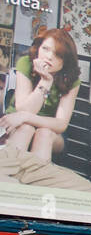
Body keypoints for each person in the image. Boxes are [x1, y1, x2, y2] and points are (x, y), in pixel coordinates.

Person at [2, 27, 81, 162]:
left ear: (65, 60)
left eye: (57, 54)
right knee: (26, 129)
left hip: (50, 130)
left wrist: (25, 117)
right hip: (17, 124)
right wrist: (44, 82)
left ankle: (36, 178)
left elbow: (61, 124)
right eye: (45, 49)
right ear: (38, 48)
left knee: (44, 134)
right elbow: (25, 109)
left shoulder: (71, 78)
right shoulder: (26, 63)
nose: (49, 56)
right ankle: (9, 175)